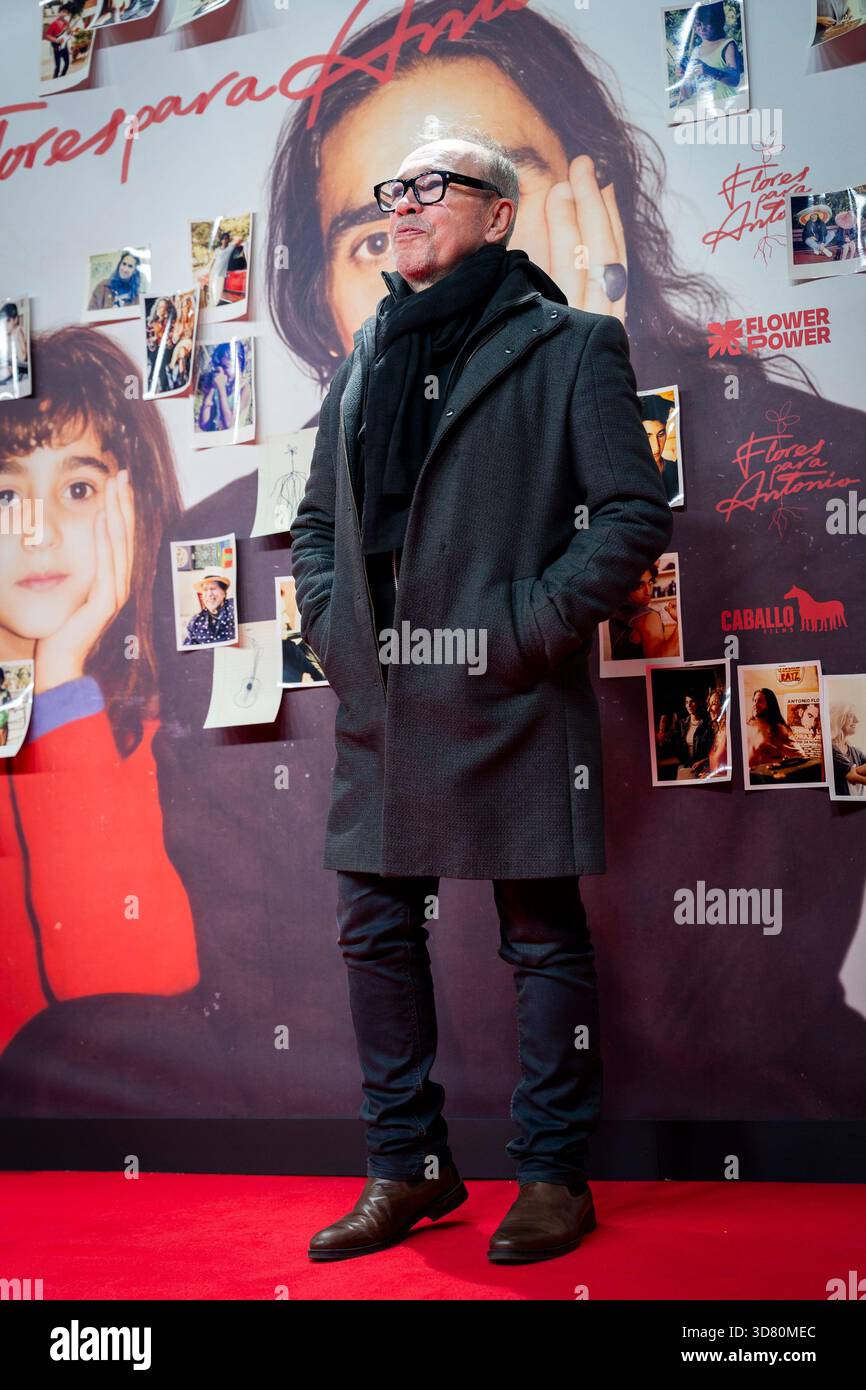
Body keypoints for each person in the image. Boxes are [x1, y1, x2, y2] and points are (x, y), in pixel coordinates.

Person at [290, 129, 673, 1265]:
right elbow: (320, 527)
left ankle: (554, 1175)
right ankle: (406, 1170)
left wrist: (519, 631)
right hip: (384, 701)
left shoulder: (573, 346)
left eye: (429, 188)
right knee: (373, 930)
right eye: (389, 191)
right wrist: (341, 639)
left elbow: (630, 517)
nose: (400, 206)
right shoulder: (363, 362)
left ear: (497, 214)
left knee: (540, 936)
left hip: (509, 695)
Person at [0, 326, 201, 1070]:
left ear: (134, 507)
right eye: (6, 492)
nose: (40, 530)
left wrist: (59, 689)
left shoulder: (167, 742)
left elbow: (121, 1011)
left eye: (78, 489)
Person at [608, 565, 680, 661]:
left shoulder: (615, 613)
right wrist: (681, 621)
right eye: (639, 585)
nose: (648, 591)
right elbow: (661, 663)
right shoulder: (649, 616)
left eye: (650, 582)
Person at [196, 342, 250, 433]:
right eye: (220, 367)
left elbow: (229, 424)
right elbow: (204, 424)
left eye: (225, 367)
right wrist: (210, 391)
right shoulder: (222, 385)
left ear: (239, 363)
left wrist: (221, 388)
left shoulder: (245, 388)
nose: (222, 372)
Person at [639, 393, 680, 504]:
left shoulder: (677, 471)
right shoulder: (629, 476)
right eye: (648, 436)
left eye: (661, 434)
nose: (656, 447)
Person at [182, 574, 236, 646]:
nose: (209, 594)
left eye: (213, 588)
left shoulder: (233, 608)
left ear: (224, 593)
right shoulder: (195, 622)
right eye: (205, 590)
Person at [829, 702, 866, 797]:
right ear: (838, 718)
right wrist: (853, 774)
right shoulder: (830, 748)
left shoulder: (856, 752)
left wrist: (855, 773)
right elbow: (852, 776)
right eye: (850, 716)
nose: (857, 720)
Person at [199, 231, 241, 310]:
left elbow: (239, 239)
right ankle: (211, 309)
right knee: (211, 294)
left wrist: (234, 239)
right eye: (223, 239)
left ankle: (214, 308)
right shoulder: (217, 250)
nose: (225, 240)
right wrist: (208, 272)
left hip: (221, 275)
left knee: (217, 295)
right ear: (221, 240)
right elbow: (212, 262)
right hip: (213, 274)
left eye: (226, 239)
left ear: (228, 240)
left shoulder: (230, 248)